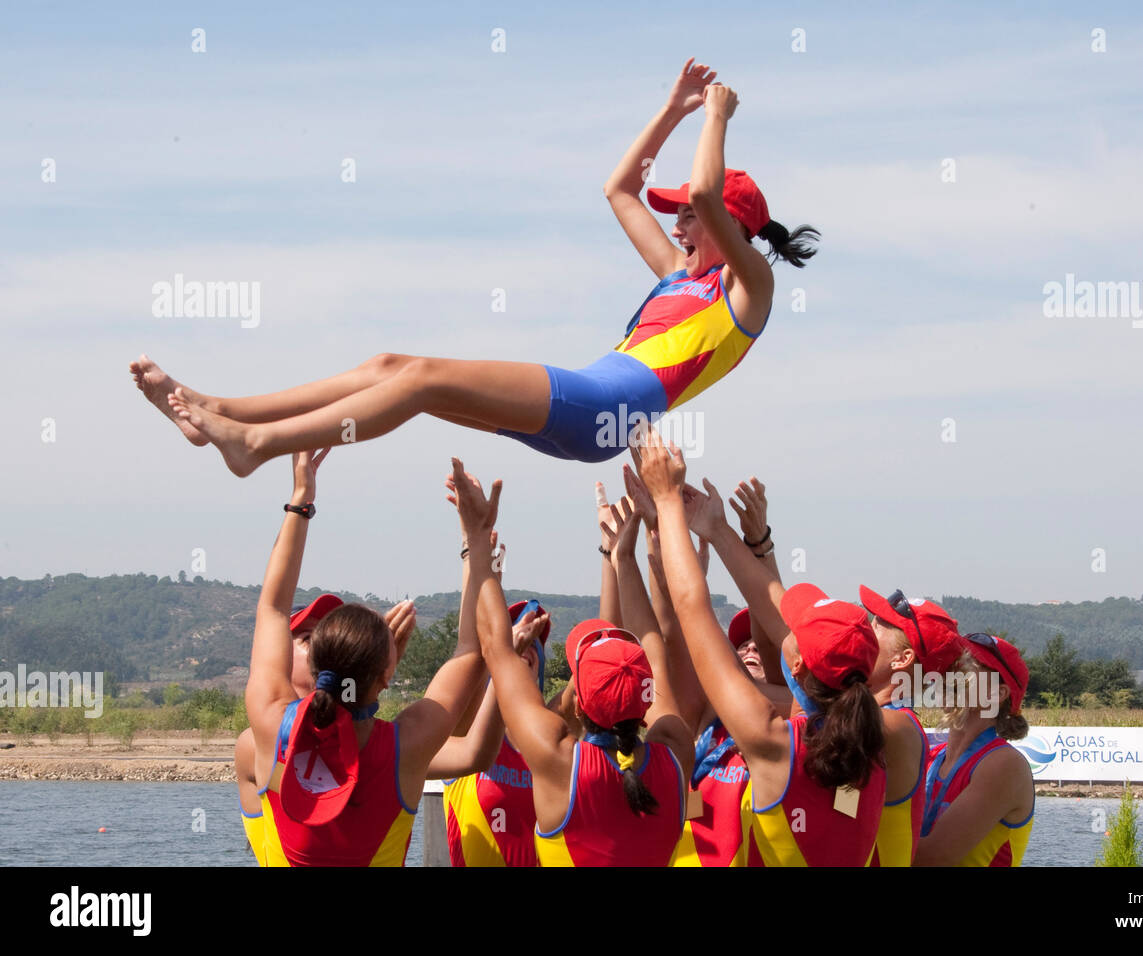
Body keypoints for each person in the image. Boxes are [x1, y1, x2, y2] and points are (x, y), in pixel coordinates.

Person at [129, 59, 817, 474]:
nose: (680, 220)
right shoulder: (677, 275)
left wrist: (716, 119)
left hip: (600, 406)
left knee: (422, 377)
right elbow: (620, 189)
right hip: (585, 413)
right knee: (394, 367)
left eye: (693, 219)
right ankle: (220, 409)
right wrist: (671, 110)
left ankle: (256, 443)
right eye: (683, 217)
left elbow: (703, 190)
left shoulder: (746, 289)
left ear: (732, 228)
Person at [634, 426, 887, 866]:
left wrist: (668, 502)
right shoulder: (875, 747)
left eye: (794, 634)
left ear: (800, 669)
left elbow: (692, 609)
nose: (782, 629)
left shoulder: (773, 741)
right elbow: (773, 609)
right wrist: (719, 531)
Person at [247, 453, 490, 866]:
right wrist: (474, 537)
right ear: (387, 674)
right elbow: (471, 648)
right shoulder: (407, 746)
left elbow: (272, 607)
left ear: (314, 660)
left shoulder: (270, 721)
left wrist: (301, 499)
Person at [468, 478, 694, 866]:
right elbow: (653, 644)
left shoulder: (560, 760)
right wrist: (623, 558)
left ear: (577, 700)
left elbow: (495, 649)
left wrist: (475, 543)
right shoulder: (675, 750)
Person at [235, 593, 415, 864]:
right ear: (275, 653)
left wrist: (376, 671)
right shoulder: (255, 743)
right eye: (309, 638)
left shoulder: (361, 733)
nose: (324, 646)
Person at [435, 600, 551, 867]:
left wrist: (612, 560)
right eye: (514, 639)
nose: (524, 643)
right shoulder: (466, 735)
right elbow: (470, 655)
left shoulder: (554, 740)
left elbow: (588, 692)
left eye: (533, 642)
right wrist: (480, 565)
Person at [858, 587, 962, 866]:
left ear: (902, 659)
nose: (863, 629)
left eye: (876, 625)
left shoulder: (894, 725)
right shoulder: (880, 716)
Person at [915, 633, 1035, 867]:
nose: (952, 671)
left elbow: (933, 858)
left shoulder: (1004, 764)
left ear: (997, 694)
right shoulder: (931, 756)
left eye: (970, 663)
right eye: (954, 662)